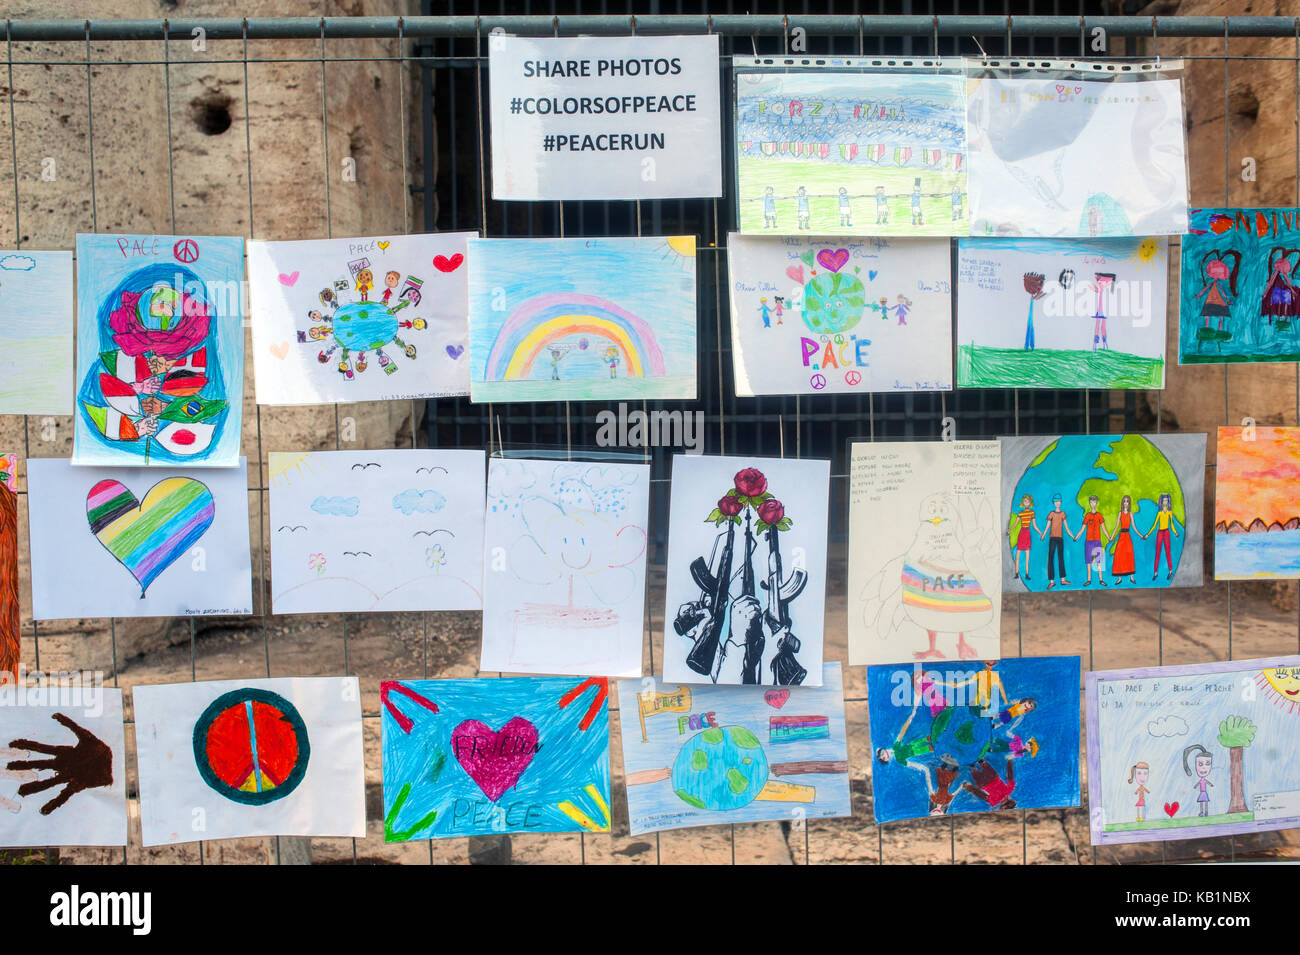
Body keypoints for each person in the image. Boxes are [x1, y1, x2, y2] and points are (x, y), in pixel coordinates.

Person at [1193, 252, 1239, 343]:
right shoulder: (1214, 284)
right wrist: (1199, 294)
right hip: (1212, 299)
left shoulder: (1217, 284)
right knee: (1208, 314)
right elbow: (1207, 289)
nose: (1216, 276)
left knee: (1218, 315)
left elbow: (1222, 292)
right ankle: (1207, 329)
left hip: (1217, 299)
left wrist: (1227, 300)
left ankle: (1219, 330)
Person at [1073, 494, 1110, 587]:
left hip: (1097, 541)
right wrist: (1076, 537)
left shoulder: (1099, 516)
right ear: (1089, 503)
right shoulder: (1088, 516)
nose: (1093, 503)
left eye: (1094, 502)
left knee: (1099, 561)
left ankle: (1101, 579)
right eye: (1091, 502)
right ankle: (1089, 580)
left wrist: (1108, 537)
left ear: (1096, 503)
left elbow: (1104, 528)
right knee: (1088, 561)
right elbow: (1082, 528)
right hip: (1088, 541)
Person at [1141, 492, 1179, 582]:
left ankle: (1170, 571)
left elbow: (1172, 524)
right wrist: (1147, 534)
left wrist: (1175, 532)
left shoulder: (1169, 512)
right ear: (1161, 502)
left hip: (1166, 532)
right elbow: (1154, 525)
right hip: (1160, 532)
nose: (1165, 502)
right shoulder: (1160, 513)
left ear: (1168, 502)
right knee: (1157, 552)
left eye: (1166, 501)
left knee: (1167, 552)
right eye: (1164, 500)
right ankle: (1155, 573)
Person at [1039, 494, 1074, 589]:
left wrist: (1071, 535)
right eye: (1056, 501)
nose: (1057, 503)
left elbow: (1066, 527)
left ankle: (1063, 579)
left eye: (1059, 501)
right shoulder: (1051, 513)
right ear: (1054, 503)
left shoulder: (1063, 513)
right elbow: (1047, 526)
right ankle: (1051, 581)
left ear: (1060, 502)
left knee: (1061, 558)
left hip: (1060, 538)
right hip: (1052, 538)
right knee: (1050, 558)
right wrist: (1043, 534)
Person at [1261, 248, 1300, 325]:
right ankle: (1283, 319)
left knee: (1282, 303)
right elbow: (1272, 283)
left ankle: (1283, 319)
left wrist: (1292, 290)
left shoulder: (1278, 274)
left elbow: (1272, 283)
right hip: (1279, 290)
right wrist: (1265, 293)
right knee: (1282, 303)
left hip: (1280, 290)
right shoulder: (1278, 274)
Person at [1011, 494, 1042, 581]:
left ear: (1030, 503)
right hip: (1022, 533)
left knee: (1027, 556)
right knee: (1018, 555)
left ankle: (1027, 574)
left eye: (1027, 501)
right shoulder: (1020, 513)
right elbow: (1015, 523)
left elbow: (1035, 526)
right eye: (1025, 501)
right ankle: (1016, 573)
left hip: (1027, 533)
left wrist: (1040, 533)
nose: (1026, 503)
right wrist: (1010, 530)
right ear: (1023, 502)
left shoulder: (1032, 513)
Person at [1111, 495, 1138, 585]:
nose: (1126, 503)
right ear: (1122, 503)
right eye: (1124, 501)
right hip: (1122, 536)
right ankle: (1119, 578)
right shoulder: (1120, 513)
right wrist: (1111, 537)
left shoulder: (1130, 514)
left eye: (1127, 501)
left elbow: (1134, 526)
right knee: (1119, 555)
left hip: (1127, 536)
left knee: (1129, 555)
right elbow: (1116, 527)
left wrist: (1141, 535)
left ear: (1129, 503)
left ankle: (1131, 577)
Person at [1183, 743, 1214, 817]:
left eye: (1208, 763)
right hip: (1202, 793)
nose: (1204, 768)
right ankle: (1202, 812)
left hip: (1204, 792)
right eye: (1200, 764)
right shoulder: (1201, 780)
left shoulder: (1204, 780)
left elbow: (1208, 783)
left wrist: (1211, 784)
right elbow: (1198, 784)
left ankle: (1206, 812)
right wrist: (1195, 786)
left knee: (1205, 802)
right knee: (1201, 802)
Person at [1091, 272, 1116, 351]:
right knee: (1098, 325)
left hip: (1103, 309)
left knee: (1102, 326)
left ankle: (1103, 344)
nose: (1099, 283)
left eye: (1100, 281)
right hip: (1100, 309)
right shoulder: (1102, 289)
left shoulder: (1106, 288)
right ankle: (1097, 345)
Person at [1022, 272, 1046, 351]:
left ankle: (1029, 345)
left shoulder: (1037, 291)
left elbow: (1043, 293)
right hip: (1031, 310)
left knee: (1030, 325)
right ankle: (1029, 345)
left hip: (1032, 310)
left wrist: (1036, 297)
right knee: (1030, 325)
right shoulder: (1032, 290)